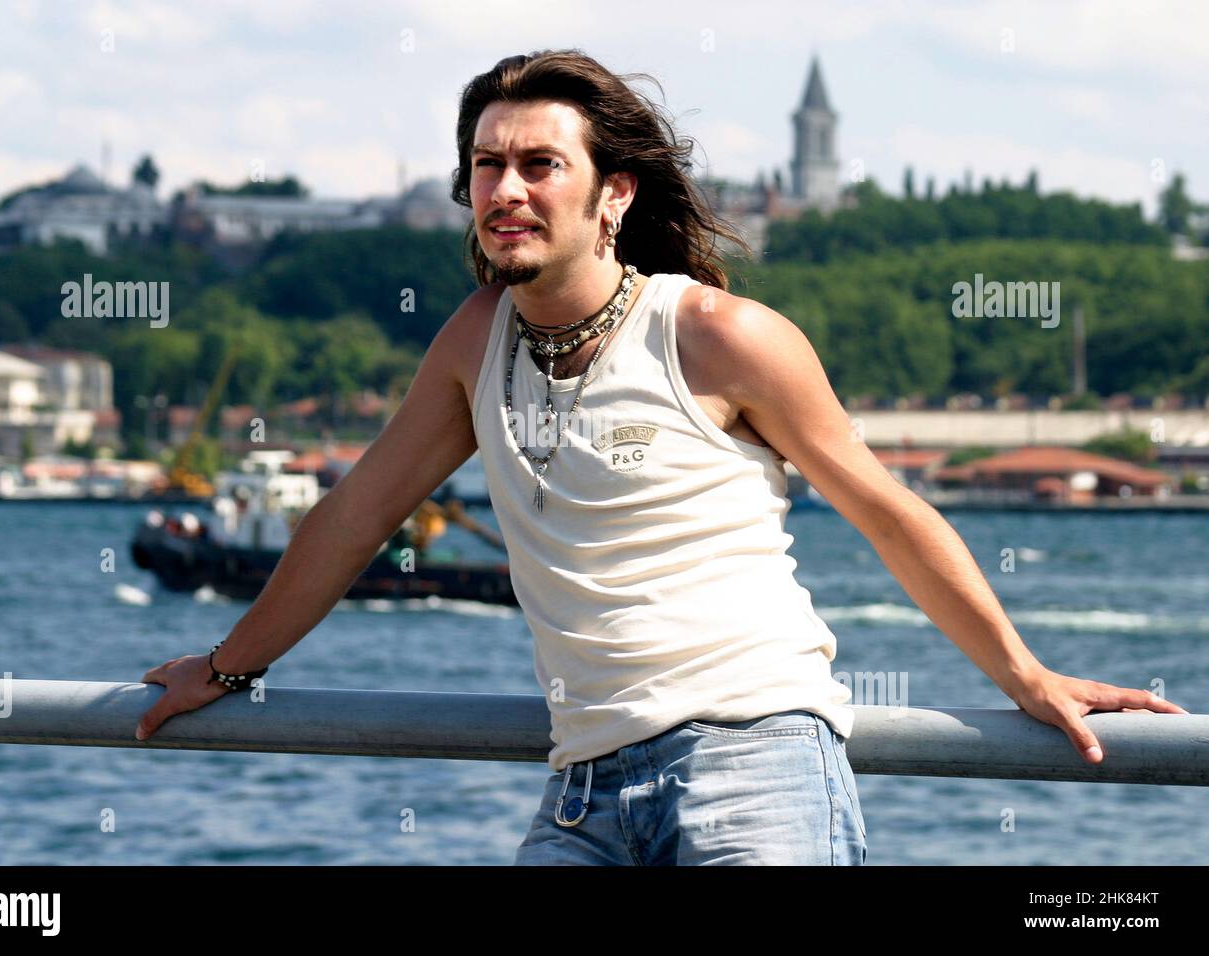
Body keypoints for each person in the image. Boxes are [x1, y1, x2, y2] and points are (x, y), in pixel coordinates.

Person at [134, 49, 1189, 865]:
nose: (506, 189)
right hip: (583, 784)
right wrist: (229, 665)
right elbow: (355, 513)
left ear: (614, 194)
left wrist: (1026, 674)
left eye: (540, 164)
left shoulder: (721, 335)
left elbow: (884, 510)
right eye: (486, 165)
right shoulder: (472, 340)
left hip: (755, 760)